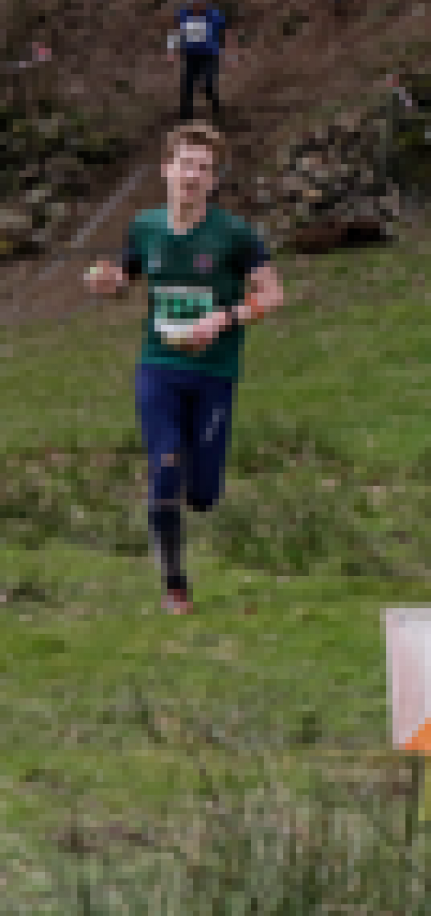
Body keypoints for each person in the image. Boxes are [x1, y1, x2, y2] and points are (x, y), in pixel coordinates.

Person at [83, 124, 285, 614]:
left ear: (213, 180)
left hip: (214, 373)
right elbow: (125, 278)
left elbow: (273, 295)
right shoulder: (145, 227)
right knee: (166, 461)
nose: (192, 175)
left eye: (203, 168)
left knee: (203, 495)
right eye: (185, 164)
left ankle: (195, 499)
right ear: (166, 170)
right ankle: (175, 587)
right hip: (159, 366)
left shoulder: (235, 235)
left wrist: (227, 316)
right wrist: (107, 282)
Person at [168, 0, 228, 124]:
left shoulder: (214, 15)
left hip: (209, 56)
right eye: (194, 1)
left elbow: (225, 32)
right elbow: (175, 32)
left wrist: (226, 50)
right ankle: (185, 117)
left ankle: (215, 105)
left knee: (208, 83)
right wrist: (171, 51)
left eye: (200, 1)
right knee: (187, 85)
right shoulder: (183, 15)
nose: (197, 4)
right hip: (191, 55)